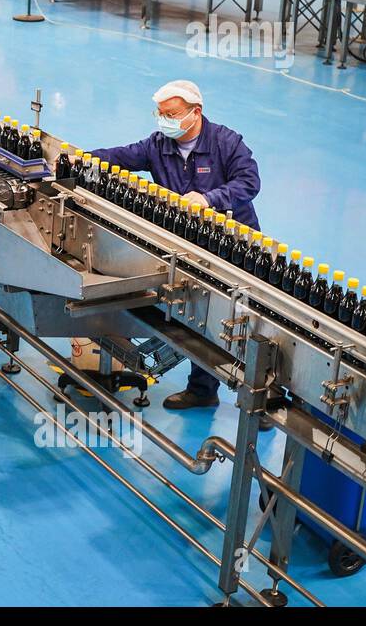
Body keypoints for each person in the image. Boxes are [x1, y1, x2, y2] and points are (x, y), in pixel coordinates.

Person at [90, 80, 262, 410]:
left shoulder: (226, 142)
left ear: (195, 113)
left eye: (171, 114)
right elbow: (122, 156)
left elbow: (249, 183)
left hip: (233, 245)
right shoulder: (159, 144)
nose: (164, 120)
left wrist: (211, 199)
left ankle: (263, 402)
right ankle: (202, 390)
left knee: (244, 321)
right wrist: (81, 158)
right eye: (160, 114)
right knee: (199, 314)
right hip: (187, 243)